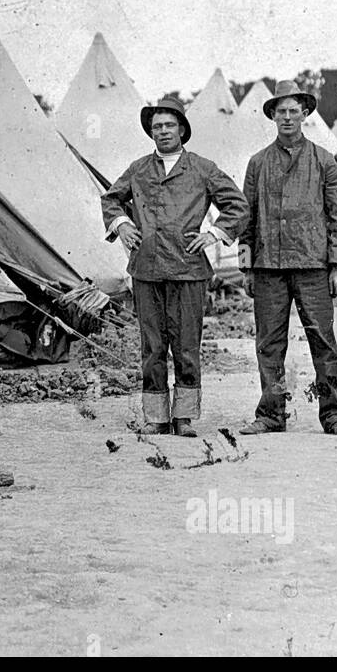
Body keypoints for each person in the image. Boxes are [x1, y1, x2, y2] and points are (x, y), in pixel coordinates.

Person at [100, 96, 248, 436]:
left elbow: (237, 205)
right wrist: (122, 224)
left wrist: (213, 233)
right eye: (156, 127)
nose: (163, 132)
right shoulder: (138, 169)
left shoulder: (202, 168)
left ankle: (183, 417)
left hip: (188, 269)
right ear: (150, 133)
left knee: (186, 345)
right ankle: (156, 416)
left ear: (182, 129)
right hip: (146, 269)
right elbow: (111, 199)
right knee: (152, 346)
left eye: (169, 125)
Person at [239, 81, 337, 436]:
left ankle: (334, 415)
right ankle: (271, 414)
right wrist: (246, 264)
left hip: (313, 267)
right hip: (268, 268)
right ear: (272, 116)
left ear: (305, 115)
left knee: (323, 340)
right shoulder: (257, 163)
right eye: (281, 112)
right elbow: (247, 217)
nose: (287, 118)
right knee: (269, 343)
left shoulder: (324, 161)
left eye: (294, 111)